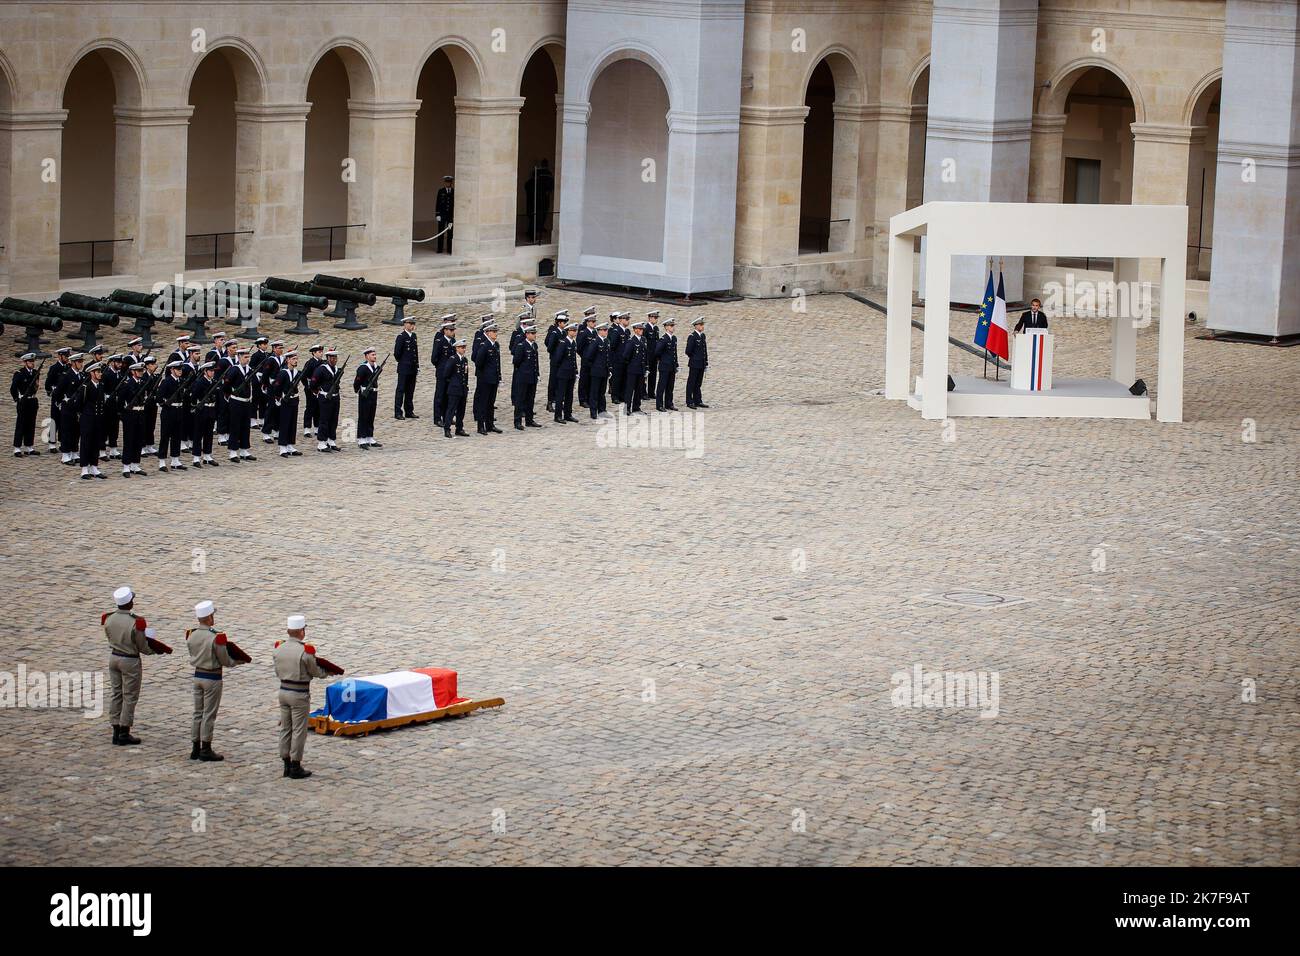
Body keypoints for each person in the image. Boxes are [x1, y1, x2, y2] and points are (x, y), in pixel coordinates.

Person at [274, 614, 342, 780]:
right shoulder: (305, 651)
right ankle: (295, 765)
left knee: (285, 728)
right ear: (301, 632)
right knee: (299, 730)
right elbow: (315, 671)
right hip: (299, 693)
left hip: (283, 691)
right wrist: (328, 672)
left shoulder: (279, 648)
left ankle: (286, 763)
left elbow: (277, 671)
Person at [103, 585, 169, 746]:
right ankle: (124, 732)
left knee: (116, 693)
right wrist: (155, 650)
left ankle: (115, 729)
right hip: (130, 660)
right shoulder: (136, 622)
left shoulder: (109, 618)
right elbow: (142, 645)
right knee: (130, 696)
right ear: (129, 603)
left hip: (114, 657)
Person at [186, 599, 249, 763]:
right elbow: (225, 660)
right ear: (208, 618)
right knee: (209, 714)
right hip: (212, 677)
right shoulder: (216, 637)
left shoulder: (191, 634)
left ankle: (195, 748)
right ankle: (206, 748)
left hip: (197, 675)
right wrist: (238, 661)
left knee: (197, 712)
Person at [221, 347, 257, 462]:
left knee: (245, 426)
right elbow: (226, 384)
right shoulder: (234, 370)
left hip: (246, 402)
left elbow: (255, 383)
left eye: (248, 357)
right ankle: (233, 452)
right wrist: (230, 393)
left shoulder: (249, 370)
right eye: (245, 357)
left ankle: (244, 450)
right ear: (239, 357)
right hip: (236, 401)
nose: (247, 359)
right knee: (235, 426)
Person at [117, 362, 150, 477]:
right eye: (139, 371)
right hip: (130, 415)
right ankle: (126, 466)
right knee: (129, 440)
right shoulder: (127, 384)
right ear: (133, 372)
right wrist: (123, 415)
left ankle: (135, 464)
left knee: (138, 440)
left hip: (140, 414)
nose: (141, 372)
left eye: (142, 371)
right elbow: (120, 401)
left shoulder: (143, 383)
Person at [77, 361, 108, 480]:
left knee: (96, 443)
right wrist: (85, 415)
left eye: (100, 371)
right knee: (86, 443)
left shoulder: (101, 386)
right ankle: (84, 468)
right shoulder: (86, 387)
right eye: (98, 372)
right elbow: (79, 404)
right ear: (92, 373)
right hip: (88, 419)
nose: (100, 374)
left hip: (98, 419)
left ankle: (94, 466)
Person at [156, 361, 188, 472]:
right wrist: (166, 404)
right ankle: (162, 461)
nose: (180, 371)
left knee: (177, 436)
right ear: (172, 370)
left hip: (179, 410)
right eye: (178, 369)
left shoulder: (181, 381)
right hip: (169, 412)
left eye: (181, 369)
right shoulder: (166, 382)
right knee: (165, 436)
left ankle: (175, 460)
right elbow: (159, 398)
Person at [188, 362, 221, 468]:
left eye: (213, 371)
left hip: (211, 410)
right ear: (205, 372)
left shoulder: (214, 382)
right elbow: (193, 397)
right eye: (210, 371)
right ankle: (196, 458)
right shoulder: (200, 382)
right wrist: (196, 405)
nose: (212, 373)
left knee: (209, 434)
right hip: (202, 410)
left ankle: (207, 456)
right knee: (198, 434)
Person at [271, 350, 304, 457]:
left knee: (292, 423)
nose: (295, 361)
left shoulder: (297, 372)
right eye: (293, 359)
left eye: (296, 358)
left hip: (294, 400)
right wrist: (278, 399)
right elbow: (277, 387)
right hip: (285, 400)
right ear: (287, 360)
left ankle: (290, 445)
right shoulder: (283, 373)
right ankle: (282, 447)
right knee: (284, 423)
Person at [55, 352, 85, 466]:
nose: (81, 364)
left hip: (77, 407)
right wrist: (61, 402)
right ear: (73, 363)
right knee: (67, 430)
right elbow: (58, 392)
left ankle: (74, 451)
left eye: (82, 362)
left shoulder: (81, 375)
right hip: (68, 406)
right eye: (79, 362)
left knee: (76, 431)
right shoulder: (66, 376)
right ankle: (65, 454)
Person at [473, 322, 502, 435]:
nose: (495, 334)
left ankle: (490, 424)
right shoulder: (484, 345)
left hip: (494, 378)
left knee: (491, 402)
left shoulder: (496, 345)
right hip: (485, 379)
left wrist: (499, 377)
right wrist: (484, 375)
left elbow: (497, 363)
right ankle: (481, 426)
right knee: (483, 402)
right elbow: (479, 362)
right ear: (487, 333)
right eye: (493, 332)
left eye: (496, 332)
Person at [310, 348, 343, 452]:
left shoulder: (337, 369)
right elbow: (313, 383)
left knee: (334, 419)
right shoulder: (321, 369)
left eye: (335, 357)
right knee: (324, 419)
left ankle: (331, 440)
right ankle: (321, 442)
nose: (334, 359)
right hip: (325, 397)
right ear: (328, 358)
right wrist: (317, 391)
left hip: (335, 397)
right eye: (332, 357)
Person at [10, 352, 40, 457]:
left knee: (31, 424)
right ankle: (17, 448)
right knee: (21, 424)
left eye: (33, 361)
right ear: (25, 362)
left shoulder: (36, 372)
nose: (32, 363)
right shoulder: (19, 373)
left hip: (32, 401)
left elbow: (36, 386)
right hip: (23, 401)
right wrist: (17, 399)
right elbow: (13, 388)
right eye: (30, 361)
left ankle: (29, 446)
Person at [512, 325, 542, 429]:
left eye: (535, 333)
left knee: (530, 399)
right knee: (520, 399)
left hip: (532, 377)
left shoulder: (534, 345)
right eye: (532, 333)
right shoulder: (521, 345)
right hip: (523, 377)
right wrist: (523, 372)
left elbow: (535, 362)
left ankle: (529, 420)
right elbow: (516, 361)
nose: (534, 335)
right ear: (527, 334)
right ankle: (517, 421)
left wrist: (537, 373)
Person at [44, 346, 73, 452]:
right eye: (65, 356)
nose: (67, 358)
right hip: (57, 397)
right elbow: (48, 384)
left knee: (64, 421)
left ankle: (62, 441)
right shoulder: (54, 368)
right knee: (54, 421)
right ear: (60, 356)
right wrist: (54, 392)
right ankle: (51, 443)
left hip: (65, 398)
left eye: (68, 356)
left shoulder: (69, 367)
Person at [352, 347, 382, 449]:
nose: (375, 356)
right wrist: (358, 390)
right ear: (367, 356)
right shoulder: (363, 368)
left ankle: (369, 436)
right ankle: (361, 439)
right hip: (365, 393)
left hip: (373, 393)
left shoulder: (376, 367)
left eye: (375, 354)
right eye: (372, 355)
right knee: (363, 416)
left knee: (371, 415)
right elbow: (357, 381)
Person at [582, 321, 612, 420]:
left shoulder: (606, 341)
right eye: (604, 330)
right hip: (596, 371)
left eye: (606, 330)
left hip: (604, 371)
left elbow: (608, 356)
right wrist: (595, 367)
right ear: (599, 331)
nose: (606, 332)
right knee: (594, 392)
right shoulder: (595, 342)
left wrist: (609, 368)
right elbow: (588, 357)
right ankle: (593, 411)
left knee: (602, 392)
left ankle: (602, 410)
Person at [440, 339, 471, 437]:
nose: (464, 349)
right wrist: (453, 383)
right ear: (457, 348)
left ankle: (459, 428)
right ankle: (447, 429)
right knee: (451, 410)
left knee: (461, 410)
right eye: (462, 347)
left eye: (464, 347)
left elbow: (465, 375)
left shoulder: (465, 360)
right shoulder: (453, 359)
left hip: (463, 388)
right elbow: (446, 374)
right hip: (454, 389)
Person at [551, 322, 580, 424]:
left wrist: (576, 371)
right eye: (572, 330)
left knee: (569, 395)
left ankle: (568, 414)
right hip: (563, 373)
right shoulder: (563, 343)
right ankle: (558, 416)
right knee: (560, 395)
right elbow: (558, 359)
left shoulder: (573, 343)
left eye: (575, 330)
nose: (574, 332)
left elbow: (574, 359)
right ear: (568, 331)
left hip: (571, 373)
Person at [431, 317, 457, 427]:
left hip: (451, 373)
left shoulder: (454, 342)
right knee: (440, 395)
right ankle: (437, 418)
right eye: (450, 330)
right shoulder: (440, 341)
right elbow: (434, 358)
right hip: (442, 372)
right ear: (445, 330)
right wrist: (441, 368)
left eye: (453, 330)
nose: (452, 332)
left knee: (448, 395)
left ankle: (447, 416)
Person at [393, 316, 419, 420]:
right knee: (401, 389)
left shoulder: (414, 336)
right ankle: (398, 411)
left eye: (413, 324)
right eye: (410, 324)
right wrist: (403, 362)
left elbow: (415, 353)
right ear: (405, 324)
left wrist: (417, 365)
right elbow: (397, 353)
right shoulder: (401, 337)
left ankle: (409, 410)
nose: (412, 326)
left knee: (410, 390)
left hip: (412, 368)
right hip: (404, 367)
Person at [523, 159, 554, 242]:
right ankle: (534, 232)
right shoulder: (546, 174)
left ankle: (535, 231)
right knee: (538, 215)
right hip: (540, 198)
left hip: (537, 198)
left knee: (536, 216)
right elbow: (550, 185)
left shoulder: (539, 174)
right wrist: (547, 191)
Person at [544, 311, 569, 412]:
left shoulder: (564, 332)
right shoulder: (555, 332)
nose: (565, 323)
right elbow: (549, 346)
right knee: (553, 381)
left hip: (562, 361)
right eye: (563, 322)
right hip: (555, 360)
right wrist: (555, 354)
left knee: (560, 381)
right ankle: (550, 402)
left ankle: (558, 400)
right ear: (559, 323)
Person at [622, 321, 648, 414]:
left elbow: (645, 355)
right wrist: (631, 364)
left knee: (639, 390)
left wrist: (646, 367)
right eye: (640, 329)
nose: (641, 331)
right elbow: (625, 356)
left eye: (642, 329)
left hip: (641, 369)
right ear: (635, 330)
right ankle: (627, 408)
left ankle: (636, 407)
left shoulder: (643, 340)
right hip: (632, 369)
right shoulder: (631, 341)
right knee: (630, 390)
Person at [685, 316, 710, 409]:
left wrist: (706, 361)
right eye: (700, 325)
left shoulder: (702, 336)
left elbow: (704, 350)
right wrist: (695, 358)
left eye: (703, 325)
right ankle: (689, 401)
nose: (702, 326)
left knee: (698, 383)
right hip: (694, 363)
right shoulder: (692, 337)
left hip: (701, 363)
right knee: (691, 382)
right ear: (695, 326)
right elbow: (688, 351)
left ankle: (698, 400)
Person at [655, 317, 679, 411]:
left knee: (670, 386)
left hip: (671, 366)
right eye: (671, 326)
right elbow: (657, 352)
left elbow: (674, 352)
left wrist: (676, 364)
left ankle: (669, 403)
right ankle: (659, 405)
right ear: (666, 327)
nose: (673, 327)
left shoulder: (673, 338)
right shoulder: (663, 339)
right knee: (662, 386)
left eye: (673, 326)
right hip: (664, 366)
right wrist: (663, 360)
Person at [301, 344, 324, 437]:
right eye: (319, 352)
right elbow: (303, 376)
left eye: (322, 352)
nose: (321, 354)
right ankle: (307, 428)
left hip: (319, 388)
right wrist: (307, 386)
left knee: (318, 408)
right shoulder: (310, 363)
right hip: (311, 388)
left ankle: (317, 427)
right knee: (310, 407)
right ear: (314, 353)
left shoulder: (323, 362)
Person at [576, 311, 597, 408]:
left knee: (591, 379)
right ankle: (582, 399)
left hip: (594, 360)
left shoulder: (595, 332)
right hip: (586, 360)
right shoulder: (584, 333)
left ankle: (589, 397)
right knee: (584, 379)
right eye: (592, 322)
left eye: (594, 321)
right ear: (587, 322)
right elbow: (579, 347)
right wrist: (585, 355)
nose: (594, 323)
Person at [643, 311, 661, 401]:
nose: (656, 319)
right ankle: (643, 392)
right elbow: (644, 343)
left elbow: (657, 342)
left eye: (657, 317)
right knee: (646, 374)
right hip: (647, 355)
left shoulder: (656, 328)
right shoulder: (646, 328)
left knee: (653, 375)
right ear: (650, 318)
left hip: (654, 355)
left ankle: (651, 392)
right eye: (655, 317)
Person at [435, 174, 455, 254]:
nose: (447, 183)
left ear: (451, 183)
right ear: (444, 182)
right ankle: (439, 249)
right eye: (446, 182)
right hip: (442, 215)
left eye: (449, 182)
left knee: (450, 233)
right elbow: (437, 203)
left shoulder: (453, 191)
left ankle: (449, 249)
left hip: (450, 215)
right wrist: (437, 214)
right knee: (440, 232)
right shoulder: (441, 191)